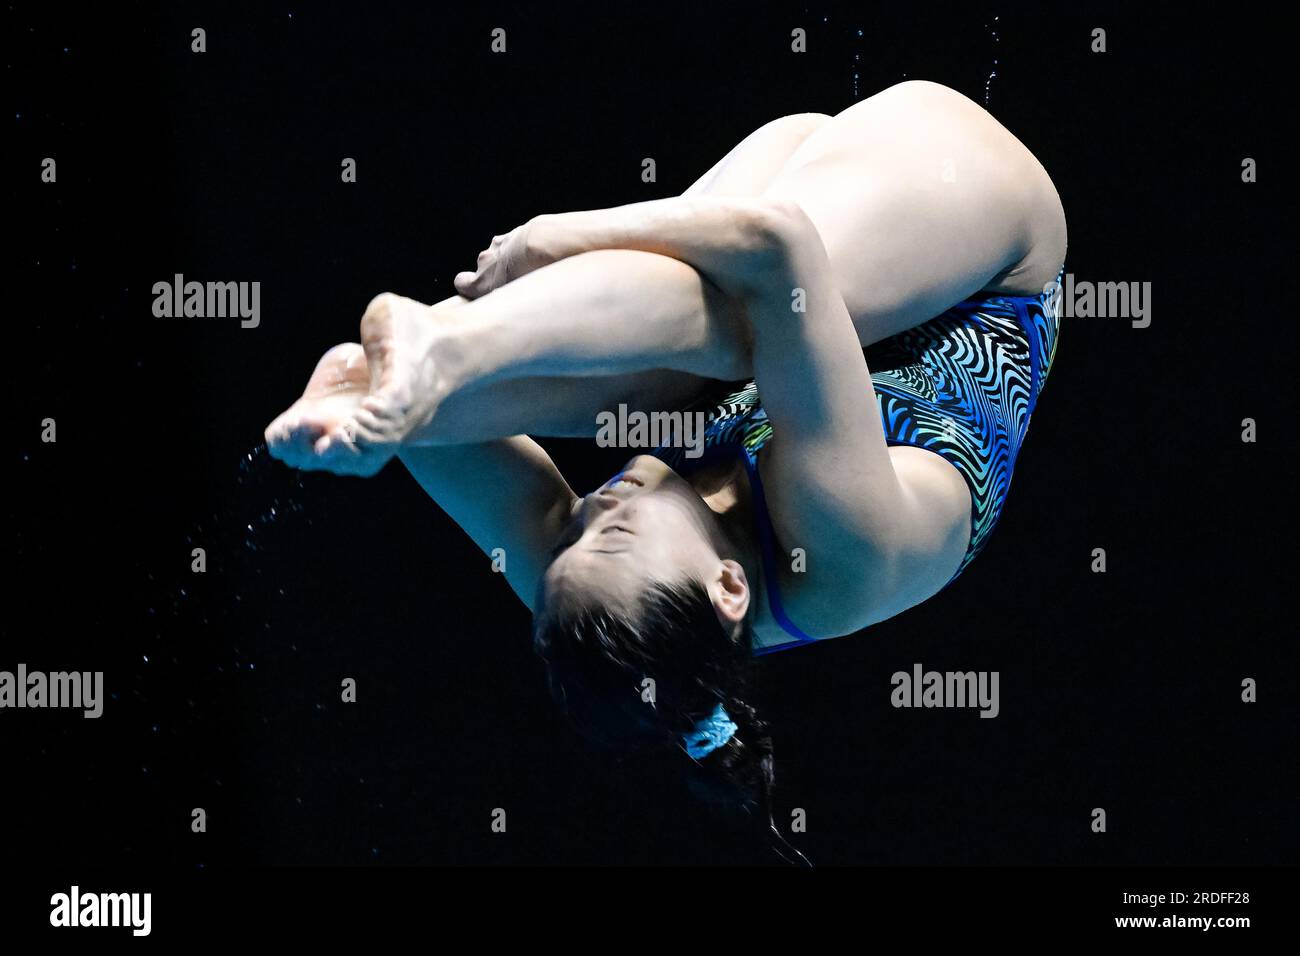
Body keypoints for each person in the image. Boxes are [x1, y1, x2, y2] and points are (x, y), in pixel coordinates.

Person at [264, 80, 1067, 817]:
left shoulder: (607, 580)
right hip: (978, 231)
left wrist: (369, 420)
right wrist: (556, 239)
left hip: (822, 200)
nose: (595, 508)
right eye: (607, 530)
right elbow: (778, 249)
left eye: (572, 535)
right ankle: (446, 339)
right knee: (737, 330)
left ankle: (418, 363)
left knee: (605, 398)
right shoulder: (839, 554)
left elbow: (456, 454)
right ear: (727, 587)